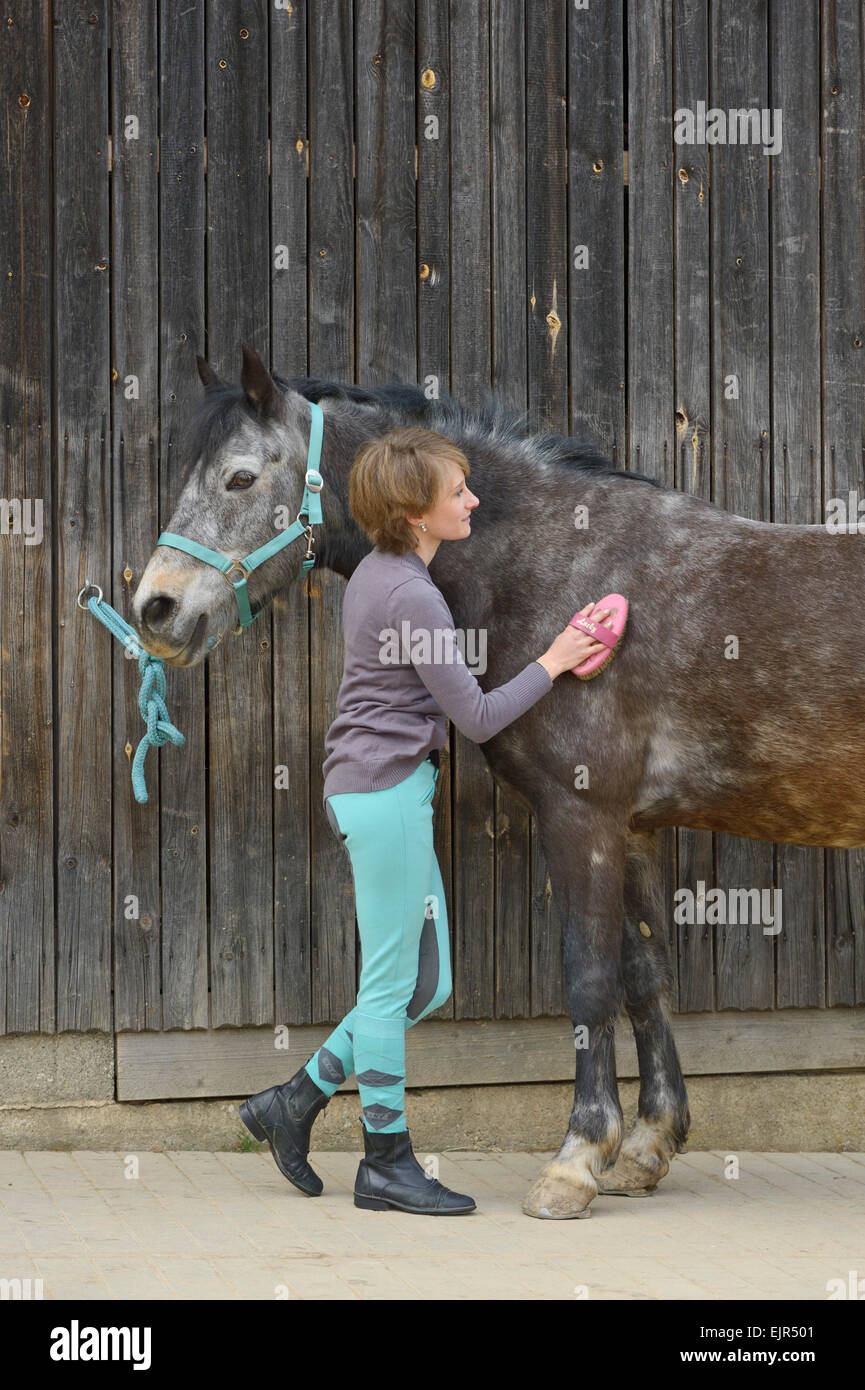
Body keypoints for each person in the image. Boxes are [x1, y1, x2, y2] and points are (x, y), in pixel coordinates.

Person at [239, 426, 617, 1215]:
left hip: (385, 793)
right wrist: (555, 657)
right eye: (457, 492)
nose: (472, 499)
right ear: (416, 512)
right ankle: (385, 1164)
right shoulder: (409, 593)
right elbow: (477, 717)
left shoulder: (388, 573)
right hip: (384, 798)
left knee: (425, 982)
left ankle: (295, 1101)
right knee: (387, 989)